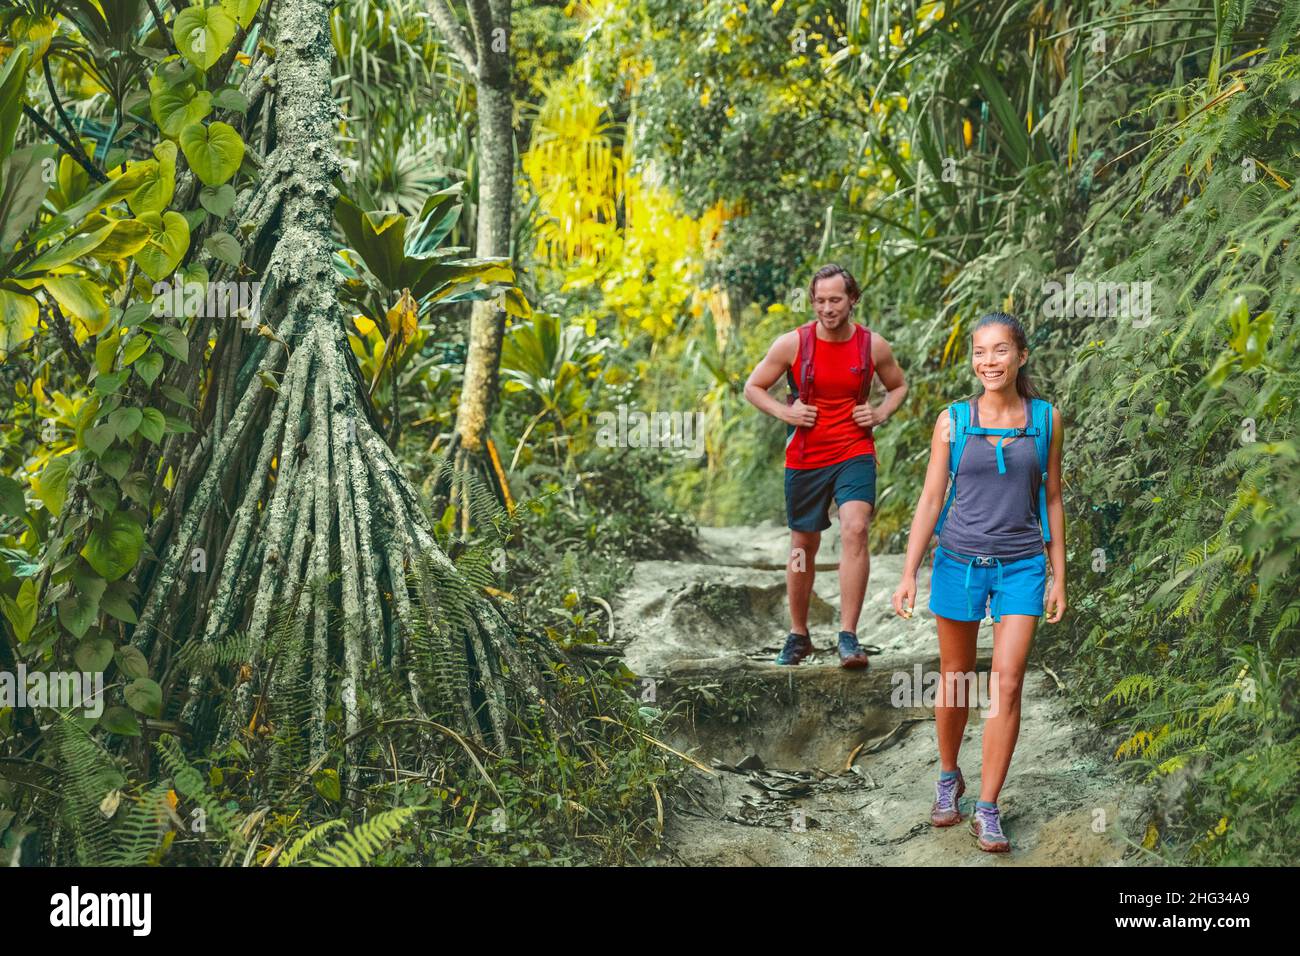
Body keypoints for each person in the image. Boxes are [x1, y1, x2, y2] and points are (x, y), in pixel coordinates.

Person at [890, 311, 1065, 852]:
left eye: (1000, 351)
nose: (989, 362)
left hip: (1021, 565)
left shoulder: (1046, 419)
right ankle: (949, 776)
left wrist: (1060, 574)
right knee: (956, 676)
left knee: (1007, 682)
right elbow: (930, 499)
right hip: (959, 561)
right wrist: (908, 571)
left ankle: (987, 807)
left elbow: (1053, 497)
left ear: (1021, 356)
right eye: (980, 353)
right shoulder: (953, 421)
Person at [744, 264, 908, 669]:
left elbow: (899, 386)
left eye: (835, 300)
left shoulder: (873, 346)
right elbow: (752, 387)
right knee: (803, 546)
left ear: (853, 299)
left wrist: (880, 413)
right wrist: (788, 413)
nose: (827, 308)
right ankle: (799, 635)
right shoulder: (793, 344)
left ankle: (848, 637)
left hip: (854, 450)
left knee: (856, 527)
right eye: (819, 300)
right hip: (806, 457)